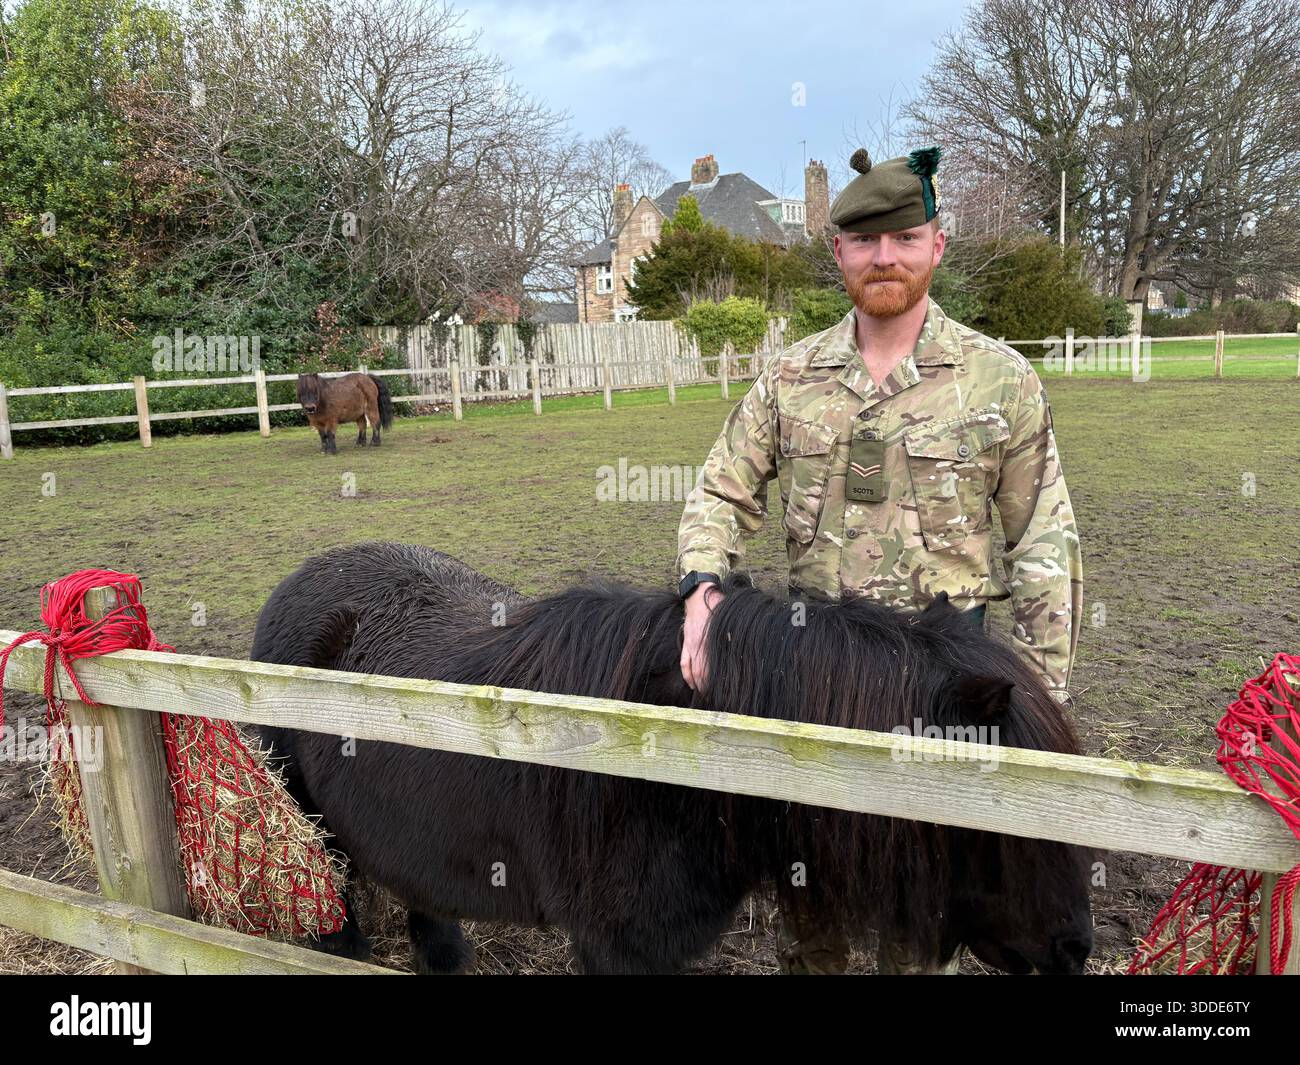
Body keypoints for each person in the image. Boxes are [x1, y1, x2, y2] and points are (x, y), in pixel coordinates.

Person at [674, 146, 1083, 974]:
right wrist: (703, 585)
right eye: (865, 242)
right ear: (839, 255)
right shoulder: (791, 377)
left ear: (937, 243)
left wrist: (1038, 702)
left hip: (945, 694)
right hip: (815, 681)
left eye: (904, 238)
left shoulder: (998, 382)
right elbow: (721, 489)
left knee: (921, 908)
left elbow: (1044, 538)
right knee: (811, 898)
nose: (884, 257)